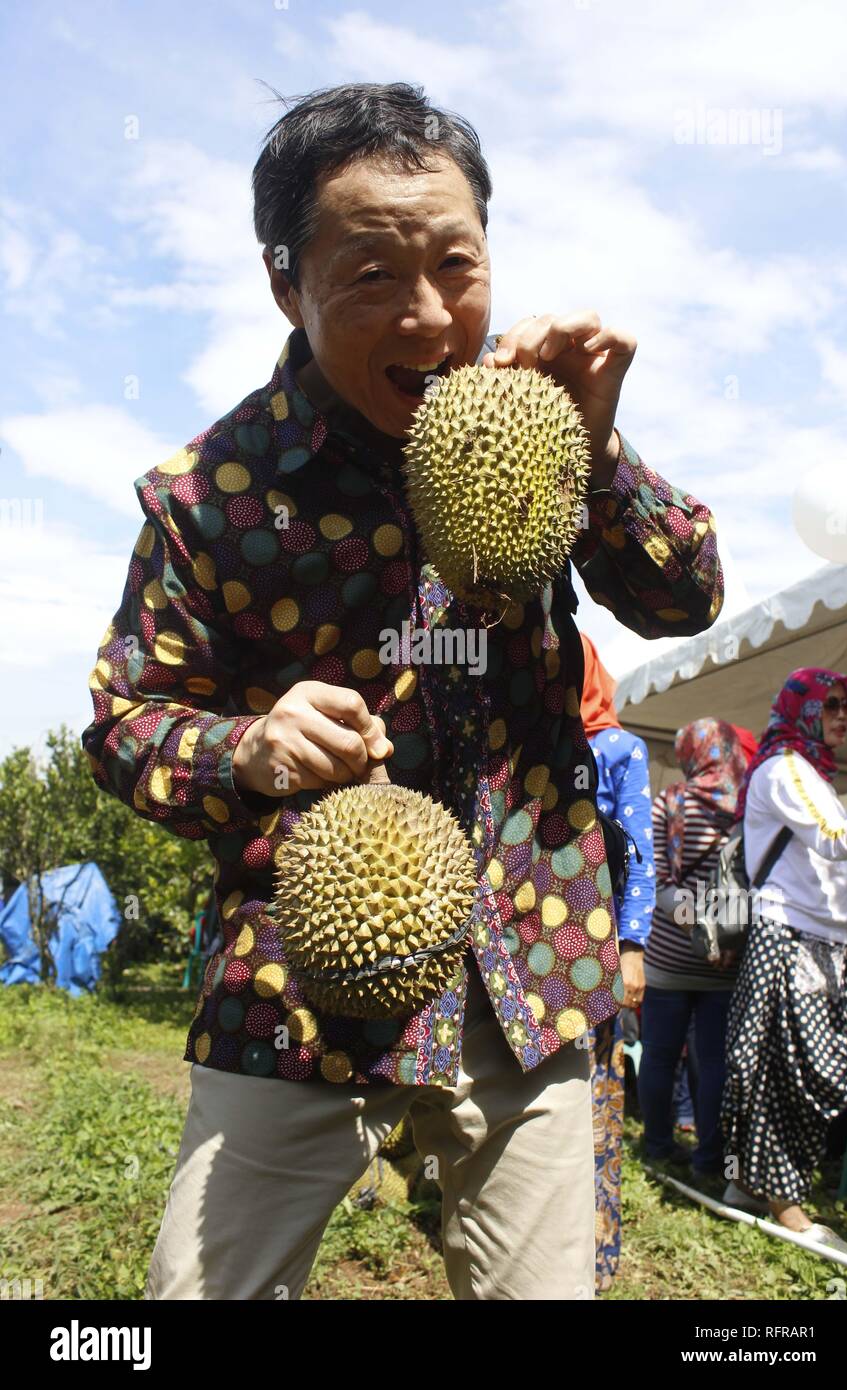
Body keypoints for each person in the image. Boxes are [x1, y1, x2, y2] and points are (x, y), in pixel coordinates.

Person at [80, 81, 724, 1301]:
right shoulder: (211, 495)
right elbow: (123, 722)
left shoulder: (531, 424)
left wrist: (594, 455)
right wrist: (248, 748)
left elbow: (682, 599)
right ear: (287, 283)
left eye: (455, 265)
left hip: (531, 958)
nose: (430, 318)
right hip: (296, 977)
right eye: (372, 273)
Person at [721, 668, 847, 1254]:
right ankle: (787, 1208)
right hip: (790, 939)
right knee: (790, 1073)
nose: (842, 715)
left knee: (787, 1068)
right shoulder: (785, 769)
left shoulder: (812, 772)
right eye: (830, 704)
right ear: (803, 708)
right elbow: (832, 837)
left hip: (818, 942)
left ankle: (744, 1185)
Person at [639, 718, 751, 1176]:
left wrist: (692, 929)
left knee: (660, 1055)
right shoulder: (744, 808)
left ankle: (657, 1146)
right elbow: (749, 882)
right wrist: (720, 937)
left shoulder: (670, 802)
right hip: (724, 957)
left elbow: (660, 883)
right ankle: (710, 1158)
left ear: (689, 754)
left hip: (668, 957)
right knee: (715, 1064)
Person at [579, 632, 653, 1290]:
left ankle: (593, 1254)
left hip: (596, 946)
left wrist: (632, 948)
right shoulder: (518, 745)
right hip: (526, 944)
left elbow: (641, 857)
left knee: (596, 1095)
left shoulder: (620, 750)